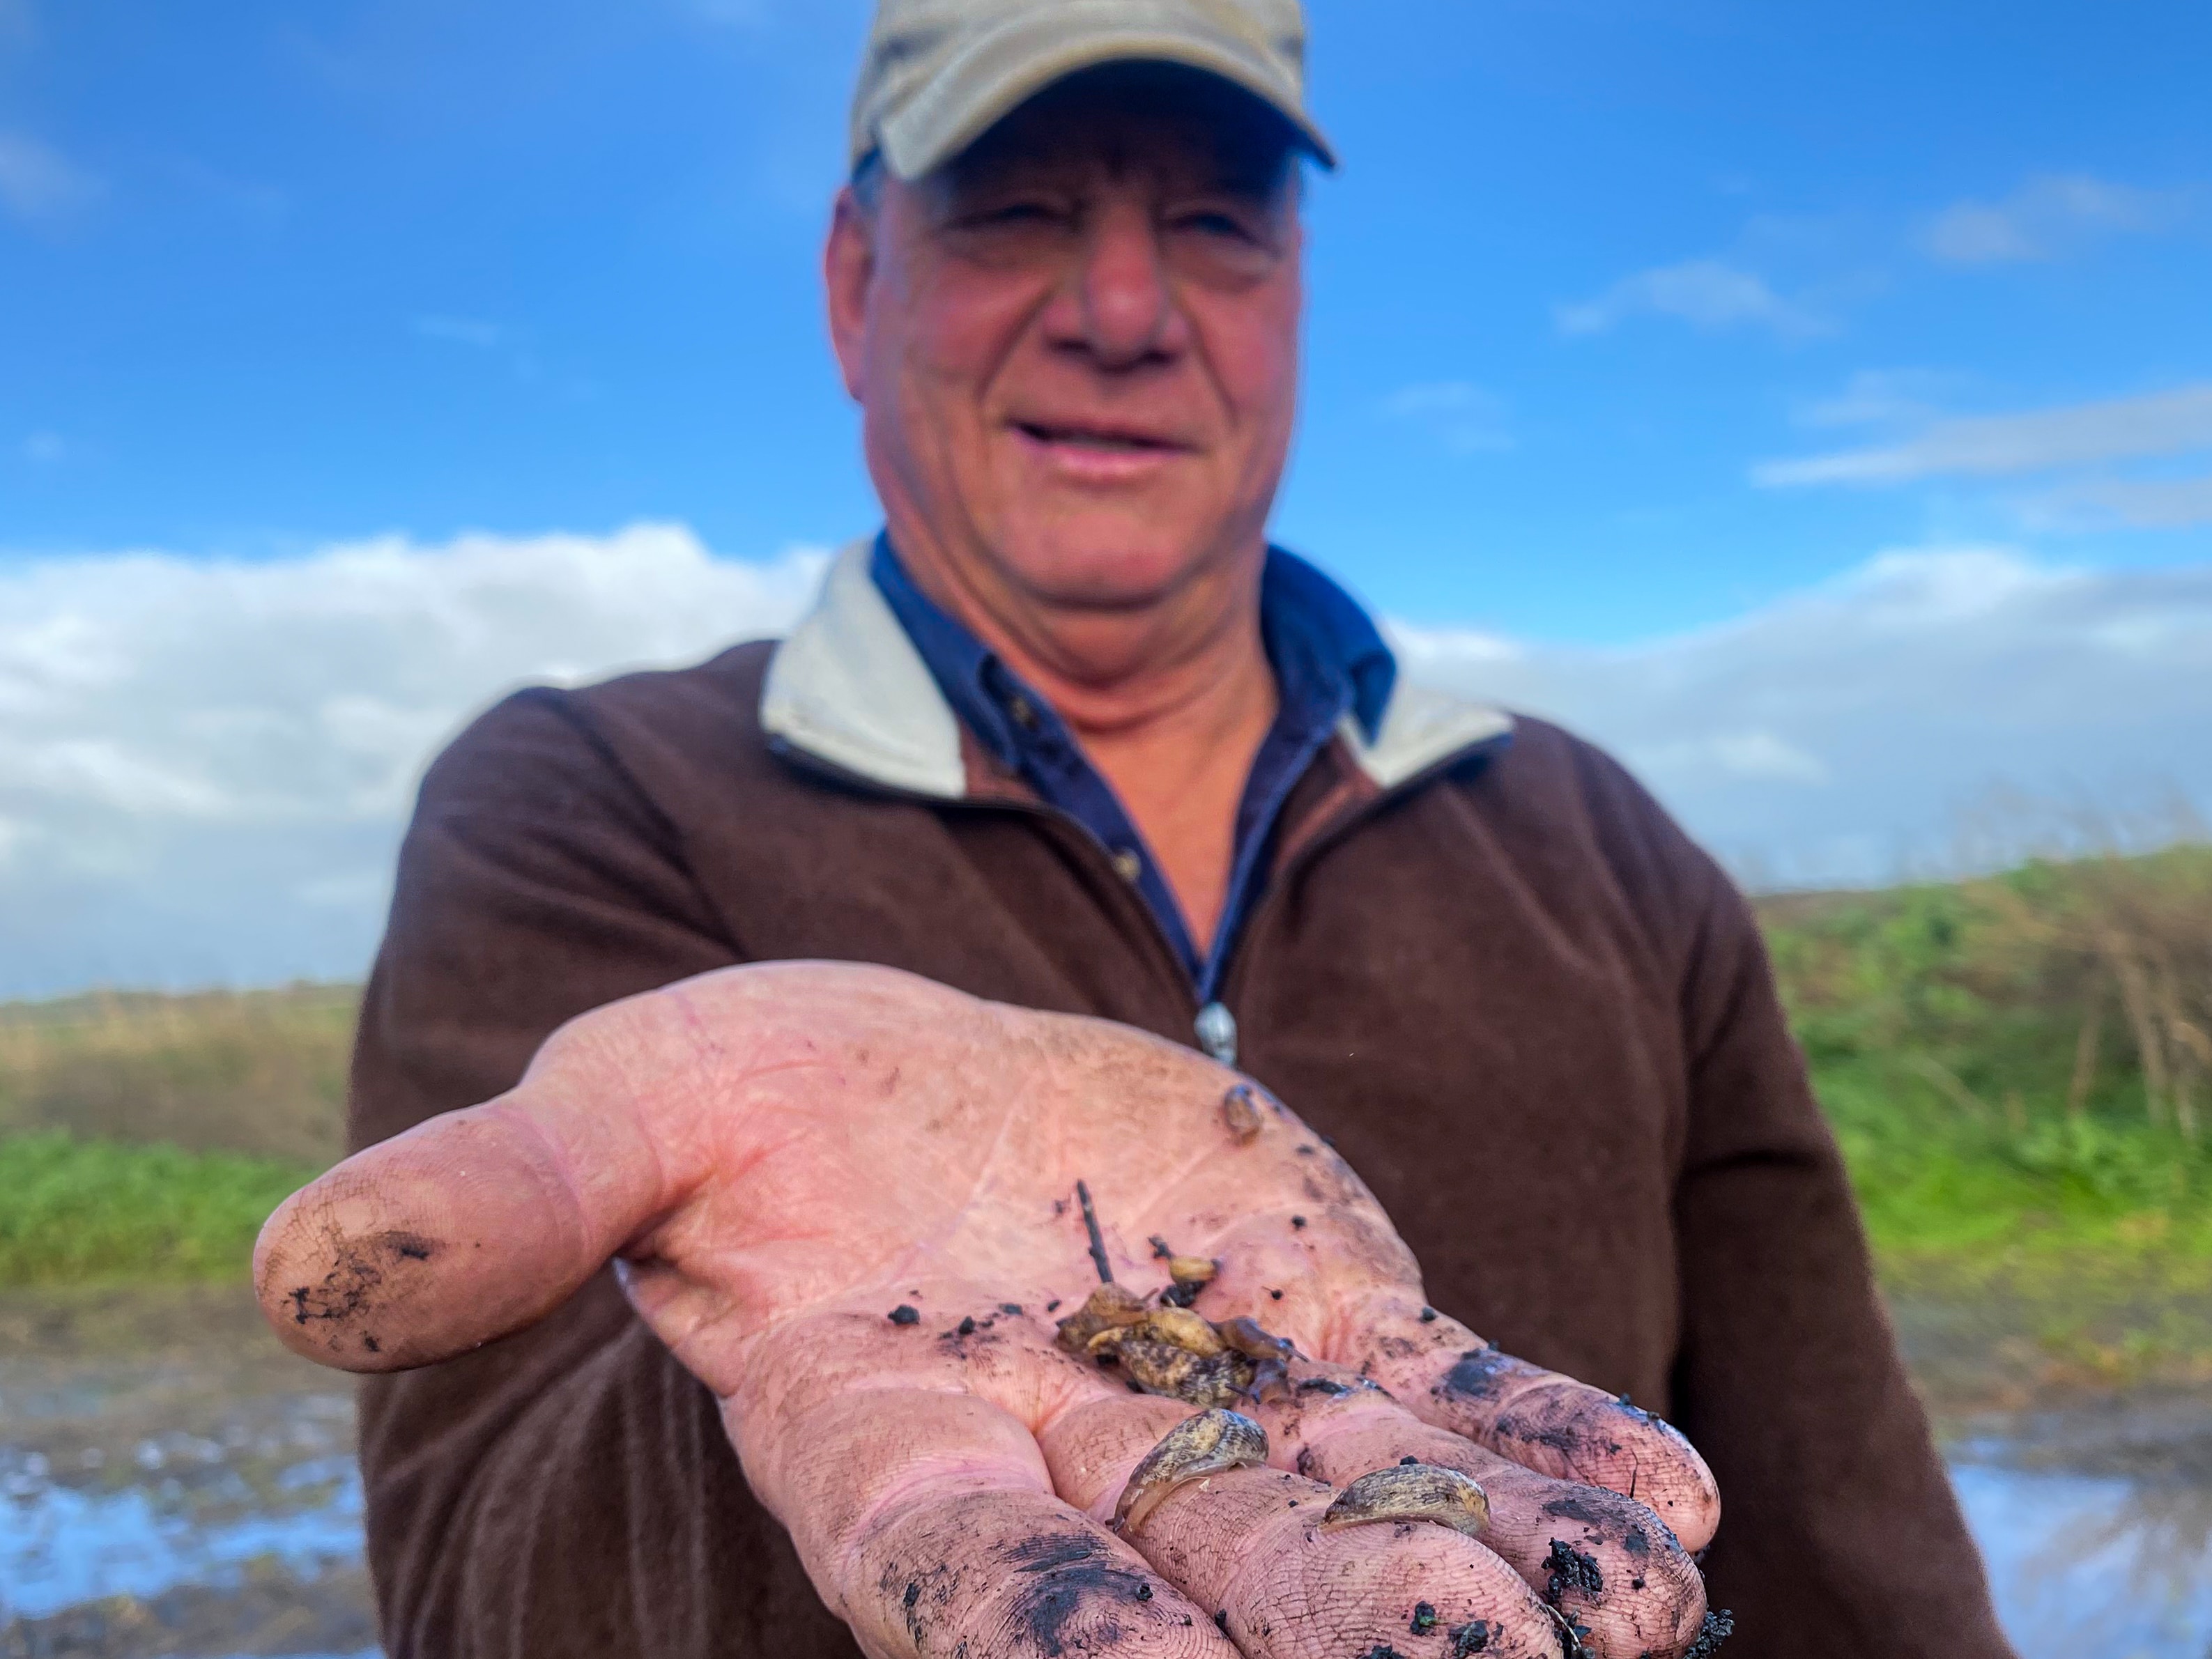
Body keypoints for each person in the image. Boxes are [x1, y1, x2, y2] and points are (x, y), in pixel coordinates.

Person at [312, 2, 2015, 1655]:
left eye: (1214, 224)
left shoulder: (1599, 847)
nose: (1124, 308)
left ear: (1296, 295)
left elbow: (1853, 1542)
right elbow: (479, 1585)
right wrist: (807, 1373)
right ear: (852, 285)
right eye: (1015, 213)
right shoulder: (581, 805)